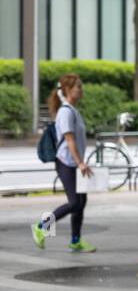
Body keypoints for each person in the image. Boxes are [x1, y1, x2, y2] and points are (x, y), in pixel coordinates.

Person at [32, 74, 96, 253]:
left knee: (81, 202)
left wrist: (81, 163)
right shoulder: (66, 112)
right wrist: (80, 163)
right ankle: (41, 227)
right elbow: (69, 141)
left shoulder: (73, 110)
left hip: (75, 163)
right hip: (67, 163)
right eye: (78, 87)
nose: (81, 90)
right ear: (68, 90)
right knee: (74, 202)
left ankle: (76, 241)